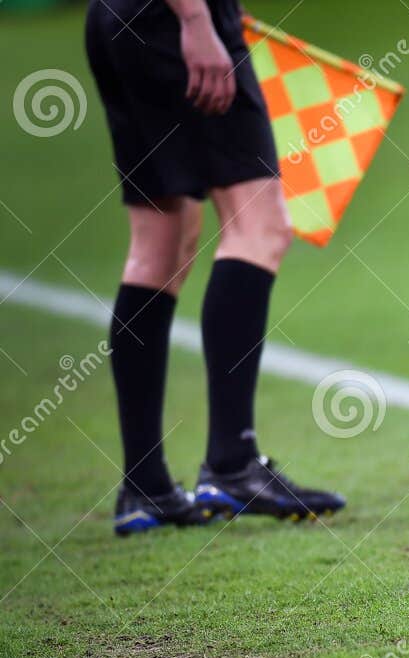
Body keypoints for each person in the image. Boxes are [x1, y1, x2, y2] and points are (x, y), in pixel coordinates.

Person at [85, 0, 345, 535]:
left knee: (161, 244)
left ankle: (146, 486)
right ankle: (232, 463)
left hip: (118, 18)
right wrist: (198, 20)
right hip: (174, 20)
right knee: (260, 226)